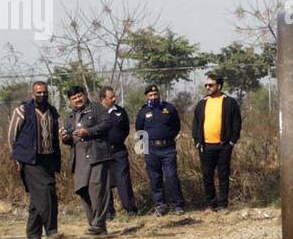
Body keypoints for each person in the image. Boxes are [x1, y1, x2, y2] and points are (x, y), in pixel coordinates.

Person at [7, 81, 61, 239]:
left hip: (48, 159)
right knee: (46, 191)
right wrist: (15, 157)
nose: (42, 95)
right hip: (30, 160)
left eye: (44, 92)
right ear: (32, 94)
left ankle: (33, 234)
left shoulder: (52, 111)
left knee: (38, 197)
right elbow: (11, 136)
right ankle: (51, 230)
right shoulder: (22, 111)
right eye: (38, 93)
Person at [60, 85, 113, 235]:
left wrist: (88, 132)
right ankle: (94, 225)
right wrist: (65, 138)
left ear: (85, 95)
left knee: (97, 191)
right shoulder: (69, 117)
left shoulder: (96, 108)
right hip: (79, 159)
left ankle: (98, 224)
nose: (78, 99)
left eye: (79, 96)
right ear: (70, 101)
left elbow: (107, 124)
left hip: (97, 156)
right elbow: (70, 139)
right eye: (74, 98)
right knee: (83, 191)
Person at [134, 84, 185, 216]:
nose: (153, 97)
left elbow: (176, 126)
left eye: (155, 94)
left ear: (159, 94)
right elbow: (139, 130)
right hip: (151, 149)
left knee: (171, 176)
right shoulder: (143, 111)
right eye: (150, 95)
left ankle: (178, 205)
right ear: (146, 97)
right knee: (155, 178)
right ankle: (160, 206)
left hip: (168, 148)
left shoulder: (168, 108)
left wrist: (167, 136)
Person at [192, 73, 242, 211]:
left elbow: (236, 122)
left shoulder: (229, 102)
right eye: (206, 85)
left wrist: (232, 142)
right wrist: (197, 141)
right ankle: (211, 204)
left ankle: (222, 205)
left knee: (223, 175)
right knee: (207, 175)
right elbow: (195, 123)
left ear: (219, 86)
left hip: (223, 146)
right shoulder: (202, 103)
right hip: (206, 147)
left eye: (211, 85)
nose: (207, 87)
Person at [99, 86, 138, 220]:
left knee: (123, 180)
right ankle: (109, 212)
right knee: (104, 182)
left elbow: (126, 129)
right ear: (103, 99)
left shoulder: (120, 112)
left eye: (114, 96)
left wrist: (118, 139)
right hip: (102, 153)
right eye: (111, 97)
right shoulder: (96, 113)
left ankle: (130, 209)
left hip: (119, 151)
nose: (114, 99)